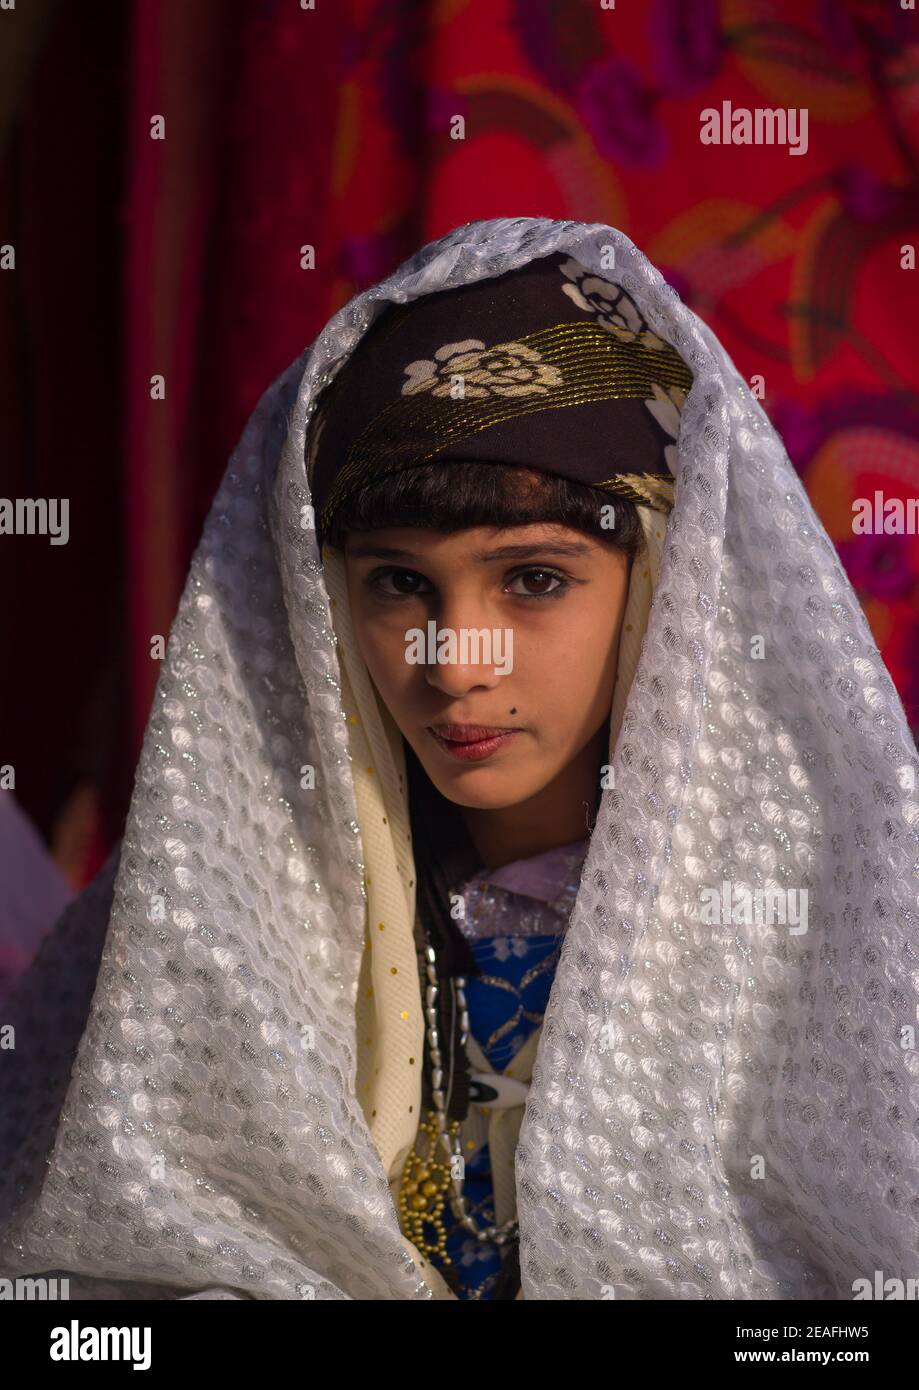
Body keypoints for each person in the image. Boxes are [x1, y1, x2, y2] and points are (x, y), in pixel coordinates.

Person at [1, 216, 917, 1302]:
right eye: (397, 583)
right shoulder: (198, 917)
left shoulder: (818, 937)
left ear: (665, 581)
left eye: (532, 579)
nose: (453, 663)